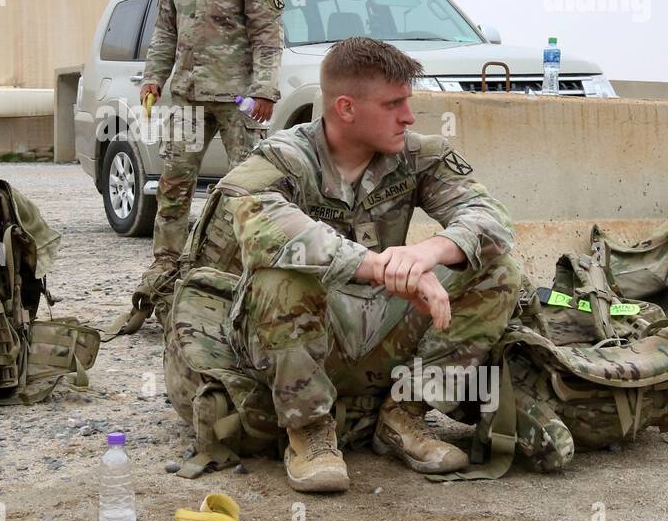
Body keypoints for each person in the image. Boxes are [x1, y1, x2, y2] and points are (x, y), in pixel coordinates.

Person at [166, 37, 522, 491]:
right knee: (282, 272)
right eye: (394, 104)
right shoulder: (284, 157)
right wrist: (377, 266)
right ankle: (309, 431)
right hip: (293, 333)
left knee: (498, 270)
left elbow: (490, 218)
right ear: (346, 108)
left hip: (379, 322)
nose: (408, 116)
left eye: (408, 101)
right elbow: (264, 229)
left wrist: (426, 253)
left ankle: (404, 414)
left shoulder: (419, 156)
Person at [124, 0, 284, 329]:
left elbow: (268, 39)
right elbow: (165, 34)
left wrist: (265, 90)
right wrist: (153, 78)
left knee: (251, 192)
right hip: (189, 98)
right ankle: (163, 278)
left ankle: (251, 280)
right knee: (174, 187)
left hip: (239, 102)